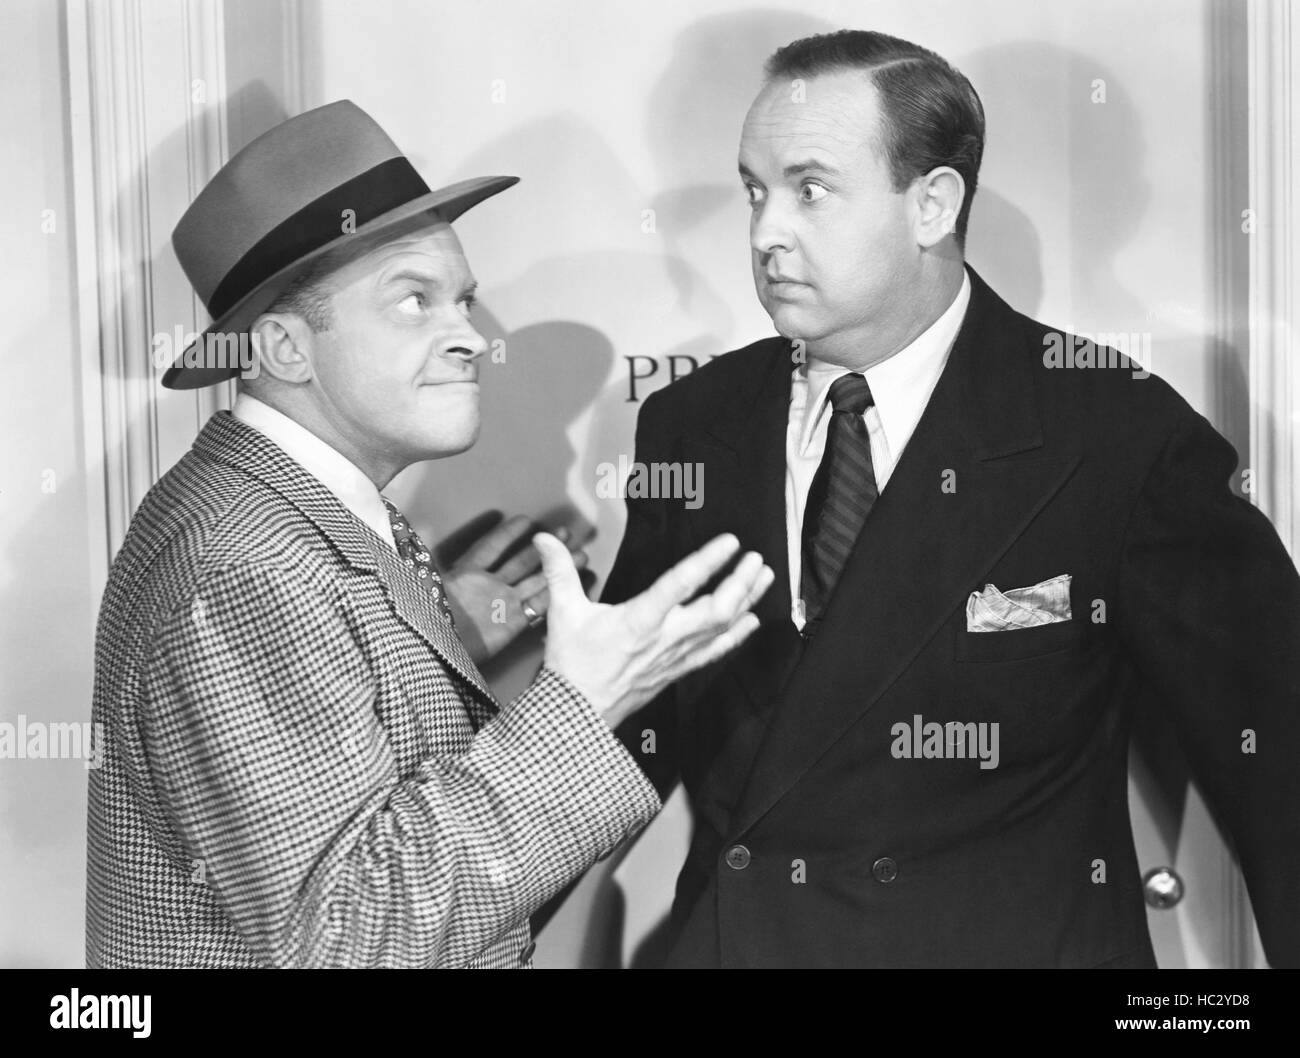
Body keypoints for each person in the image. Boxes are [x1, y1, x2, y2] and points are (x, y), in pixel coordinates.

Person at [604, 30, 1300, 968]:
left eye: (810, 190)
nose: (767, 232)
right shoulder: (694, 425)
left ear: (932, 203)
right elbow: (622, 732)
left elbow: (1275, 755)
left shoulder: (1115, 434)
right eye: (755, 191)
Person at [85, 100, 772, 969]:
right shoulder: (241, 567)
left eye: (464, 300)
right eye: (414, 301)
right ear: (285, 349)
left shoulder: (282, 518)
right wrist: (584, 703)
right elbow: (349, 941)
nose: (471, 339)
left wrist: (434, 643)